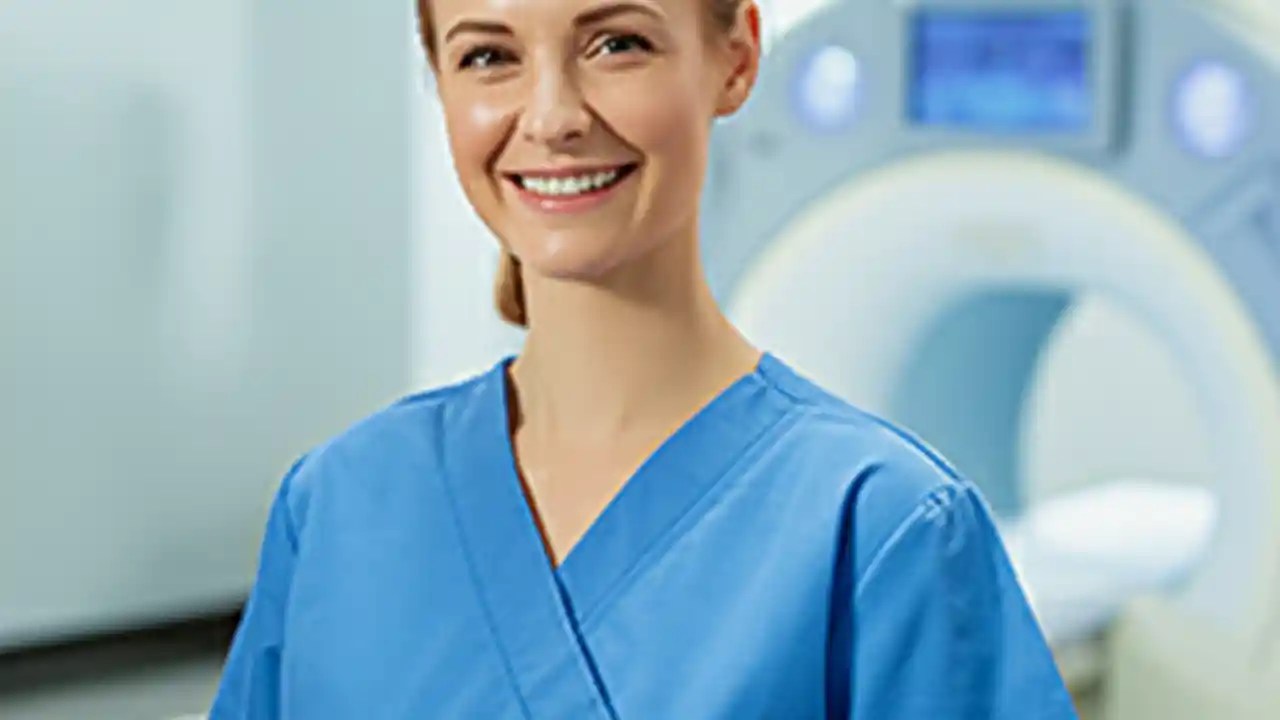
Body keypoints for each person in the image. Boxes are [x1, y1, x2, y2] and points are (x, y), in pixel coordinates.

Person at [210, 0, 1078, 717]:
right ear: (438, 78)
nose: (551, 118)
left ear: (735, 55)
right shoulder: (337, 506)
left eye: (616, 44)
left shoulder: (878, 525)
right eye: (488, 58)